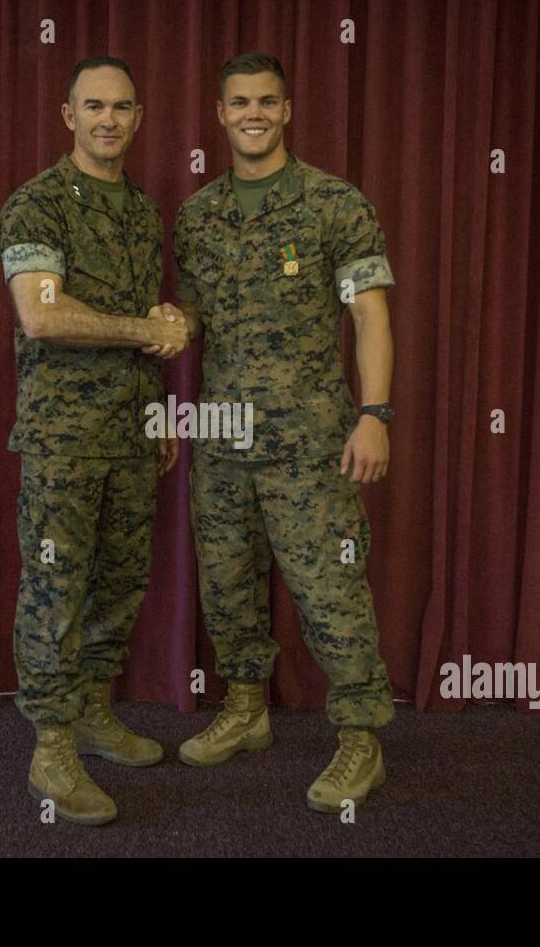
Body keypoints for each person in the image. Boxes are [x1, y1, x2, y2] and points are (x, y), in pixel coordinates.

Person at [172, 51, 397, 813]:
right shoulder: (199, 215)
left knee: (330, 589)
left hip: (311, 439)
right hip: (223, 435)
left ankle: (361, 738)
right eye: (239, 102)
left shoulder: (334, 204)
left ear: (288, 109)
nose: (253, 113)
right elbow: (195, 313)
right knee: (227, 584)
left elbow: (370, 313)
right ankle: (246, 710)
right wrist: (170, 325)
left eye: (266, 100)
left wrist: (376, 414)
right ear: (221, 113)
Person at [0, 56, 189, 826]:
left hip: (131, 432)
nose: (109, 119)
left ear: (139, 118)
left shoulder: (142, 213)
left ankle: (96, 711)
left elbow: (151, 331)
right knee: (55, 589)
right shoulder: (36, 205)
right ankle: (51, 746)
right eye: (94, 106)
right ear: (68, 115)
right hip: (63, 440)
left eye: (123, 107)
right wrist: (148, 329)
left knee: (119, 583)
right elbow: (42, 316)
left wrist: (161, 411)